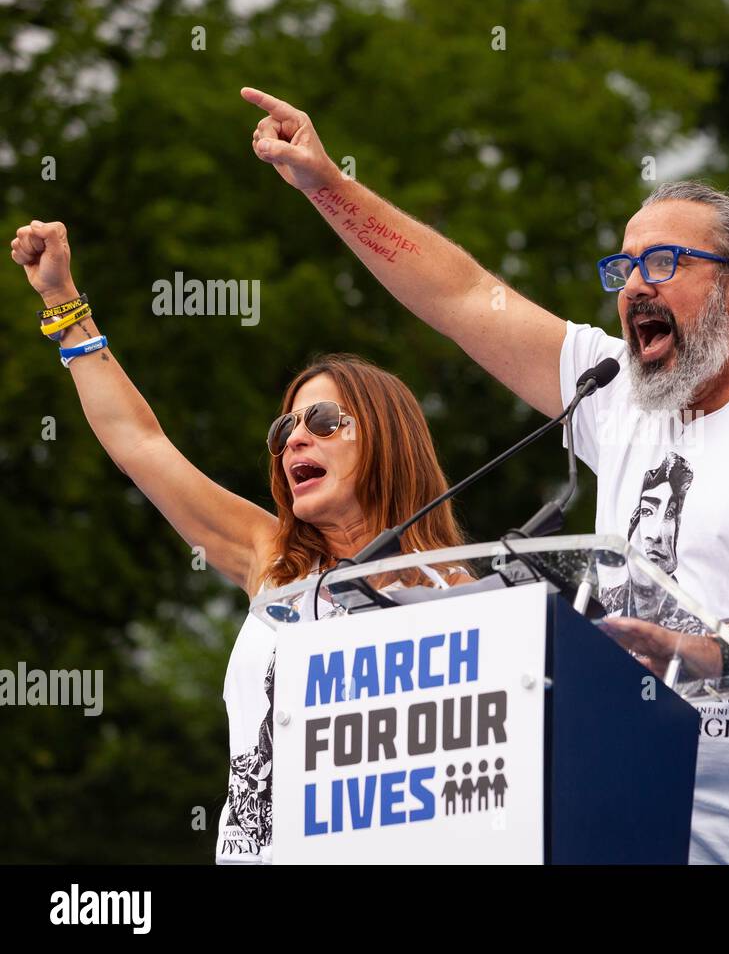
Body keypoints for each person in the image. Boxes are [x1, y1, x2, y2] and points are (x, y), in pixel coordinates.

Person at [241, 87, 729, 863]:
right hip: (629, 832)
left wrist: (719, 647)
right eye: (624, 267)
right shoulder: (617, 396)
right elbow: (457, 293)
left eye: (663, 262)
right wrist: (328, 187)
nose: (634, 286)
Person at [8, 220, 469, 863]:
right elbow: (142, 445)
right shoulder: (273, 558)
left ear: (388, 440)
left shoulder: (465, 594)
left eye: (325, 422)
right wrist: (63, 305)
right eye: (285, 430)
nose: (294, 441)